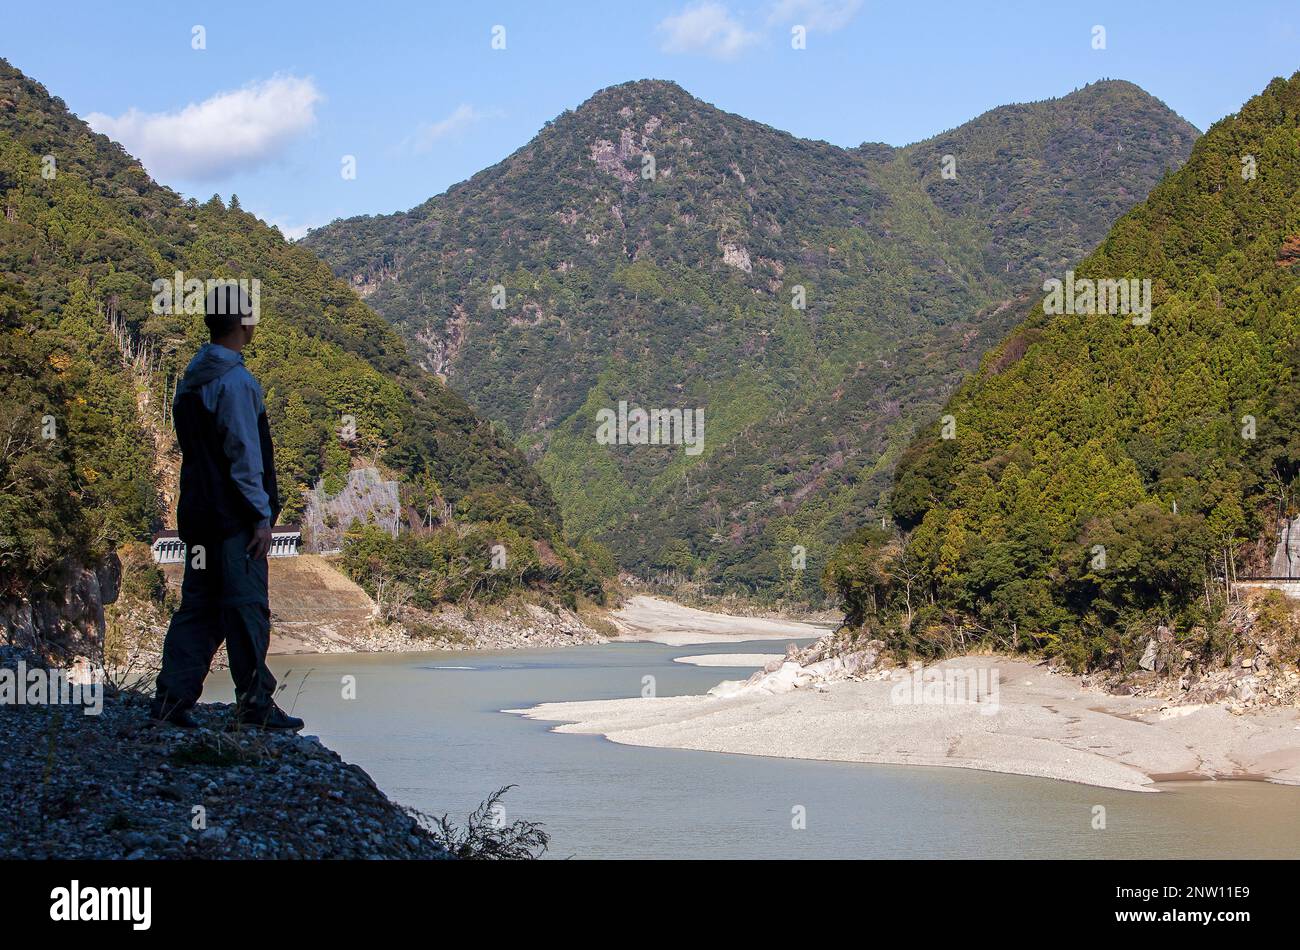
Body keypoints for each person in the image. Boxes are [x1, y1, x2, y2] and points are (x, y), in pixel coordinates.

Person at [150, 282, 303, 730]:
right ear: (242, 321)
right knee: (246, 606)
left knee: (199, 605)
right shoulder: (236, 382)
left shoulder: (190, 381)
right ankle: (255, 705)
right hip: (234, 517)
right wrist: (260, 516)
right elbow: (244, 456)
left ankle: (171, 701)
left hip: (197, 513)